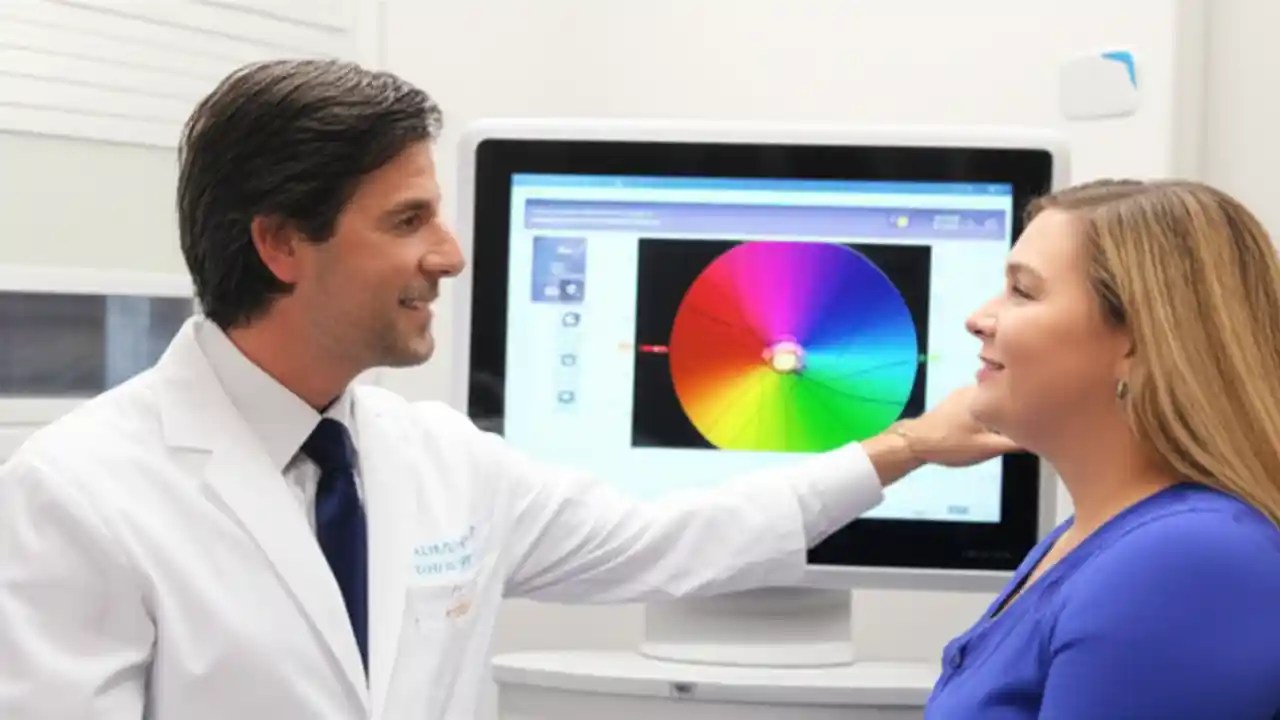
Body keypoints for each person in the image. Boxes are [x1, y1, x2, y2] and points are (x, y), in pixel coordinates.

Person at [0, 59, 1014, 720]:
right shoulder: (79, 494)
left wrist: (908, 446)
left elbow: (669, 540)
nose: (450, 254)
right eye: (407, 221)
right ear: (280, 244)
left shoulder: (438, 460)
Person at [923, 179, 1280, 719]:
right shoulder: (1091, 539)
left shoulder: (1182, 560)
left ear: (1138, 340)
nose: (978, 318)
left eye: (1023, 292)